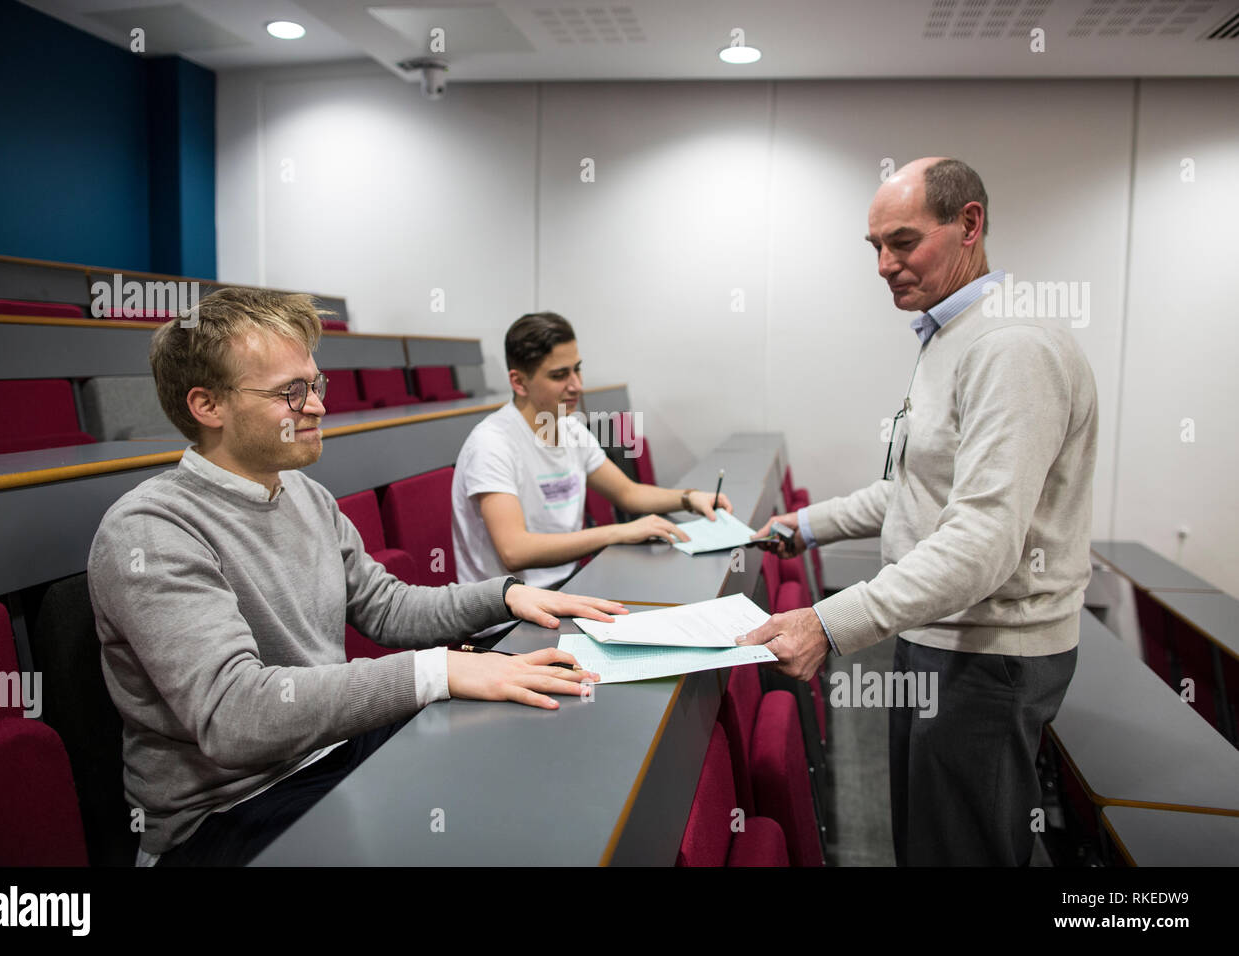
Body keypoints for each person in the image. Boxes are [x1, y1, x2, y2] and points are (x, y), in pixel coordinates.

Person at [88, 288, 624, 866]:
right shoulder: (150, 530)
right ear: (207, 406)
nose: (316, 406)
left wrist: (509, 595)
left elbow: (386, 608)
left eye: (315, 385)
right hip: (226, 814)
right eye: (290, 393)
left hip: (330, 757)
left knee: (515, 783)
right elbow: (232, 715)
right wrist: (441, 670)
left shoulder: (304, 495)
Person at [741, 157, 1098, 866]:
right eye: (874, 247)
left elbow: (984, 542)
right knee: (930, 846)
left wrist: (828, 622)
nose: (883, 264)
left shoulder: (1008, 345)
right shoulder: (951, 333)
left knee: (958, 853)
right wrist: (801, 528)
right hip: (938, 633)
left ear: (969, 224)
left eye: (902, 242)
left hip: (986, 655)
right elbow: (916, 488)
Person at [451, 311, 732, 591]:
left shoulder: (570, 428)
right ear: (519, 382)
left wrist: (690, 498)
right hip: (505, 615)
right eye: (560, 375)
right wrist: (618, 532)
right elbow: (515, 550)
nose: (577, 385)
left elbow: (628, 493)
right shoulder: (491, 444)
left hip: (566, 587)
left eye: (577, 369)